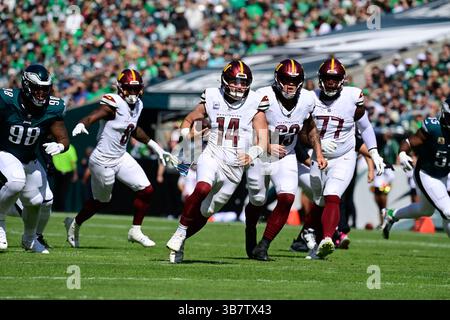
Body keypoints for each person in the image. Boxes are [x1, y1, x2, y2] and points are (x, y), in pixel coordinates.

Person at [166, 60, 269, 263]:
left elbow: (263, 136)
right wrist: (189, 135)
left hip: (236, 166)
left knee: (207, 211)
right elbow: (188, 120)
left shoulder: (255, 101)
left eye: (243, 82)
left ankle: (182, 242)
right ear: (225, 80)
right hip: (213, 154)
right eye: (235, 81)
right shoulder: (212, 96)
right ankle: (179, 231)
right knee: (202, 187)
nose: (239, 87)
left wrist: (255, 152)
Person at [64, 69, 178, 248]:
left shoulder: (138, 105)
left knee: (146, 190)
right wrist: (82, 123)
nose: (132, 93)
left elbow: (133, 129)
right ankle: (75, 223)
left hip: (121, 156)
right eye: (129, 89)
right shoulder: (114, 103)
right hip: (102, 160)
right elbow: (95, 114)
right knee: (100, 201)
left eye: (135, 89)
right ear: (120, 88)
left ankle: (135, 230)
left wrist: (157, 148)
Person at [244, 59, 327, 261]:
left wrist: (319, 152)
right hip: (260, 154)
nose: (289, 84)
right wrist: (266, 145)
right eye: (285, 79)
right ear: (277, 79)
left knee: (287, 198)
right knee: (257, 200)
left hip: (286, 156)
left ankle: (263, 246)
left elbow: (311, 127)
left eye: (294, 80)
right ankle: (250, 230)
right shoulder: (263, 96)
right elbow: (247, 126)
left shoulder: (307, 99)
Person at [306, 57, 385, 259]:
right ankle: (311, 236)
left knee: (332, 194)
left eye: (335, 78)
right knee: (318, 199)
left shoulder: (352, 97)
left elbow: (365, 127)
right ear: (320, 79)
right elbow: (300, 131)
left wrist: (374, 152)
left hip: (344, 155)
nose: (331, 82)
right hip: (318, 155)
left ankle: (327, 239)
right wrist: (318, 145)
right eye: (327, 78)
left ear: (343, 80)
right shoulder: (309, 98)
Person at [0, 64, 69, 253]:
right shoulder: (6, 99)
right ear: (26, 85)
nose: (41, 93)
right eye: (37, 88)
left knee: (38, 200)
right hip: (5, 152)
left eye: (45, 89)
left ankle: (30, 239)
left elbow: (63, 138)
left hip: (28, 158)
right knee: (15, 181)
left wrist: (60, 146)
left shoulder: (52, 108)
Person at [382, 96, 450, 239]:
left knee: (425, 210)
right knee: (448, 211)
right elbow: (410, 141)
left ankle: (391, 214)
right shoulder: (434, 126)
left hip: (446, 173)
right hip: (428, 173)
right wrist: (402, 153)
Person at [51, 143, 78, 211]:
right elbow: (73, 161)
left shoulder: (69, 147)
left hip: (65, 172)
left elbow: (73, 161)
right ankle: (57, 209)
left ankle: (59, 209)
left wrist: (75, 174)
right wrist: (75, 174)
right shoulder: (69, 147)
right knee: (59, 191)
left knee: (60, 192)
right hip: (59, 172)